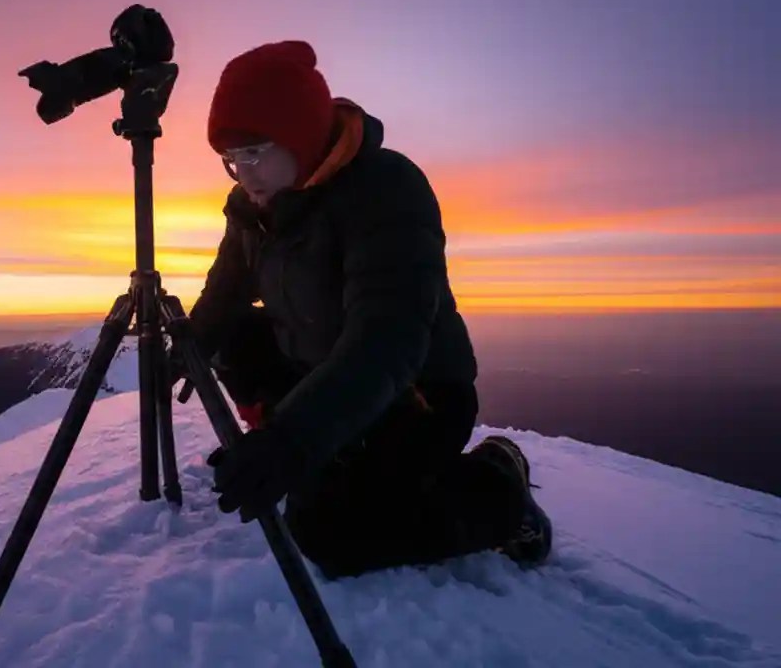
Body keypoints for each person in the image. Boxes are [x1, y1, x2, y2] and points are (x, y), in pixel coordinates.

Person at [173, 40, 551, 578]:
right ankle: (320, 447)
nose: (242, 173)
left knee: (328, 531)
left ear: (298, 136)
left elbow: (386, 341)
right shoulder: (253, 205)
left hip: (414, 394)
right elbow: (227, 287)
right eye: (230, 160)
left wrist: (293, 439)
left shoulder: (386, 190)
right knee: (233, 335)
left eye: (253, 152)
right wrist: (189, 346)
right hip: (321, 366)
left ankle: (499, 493)